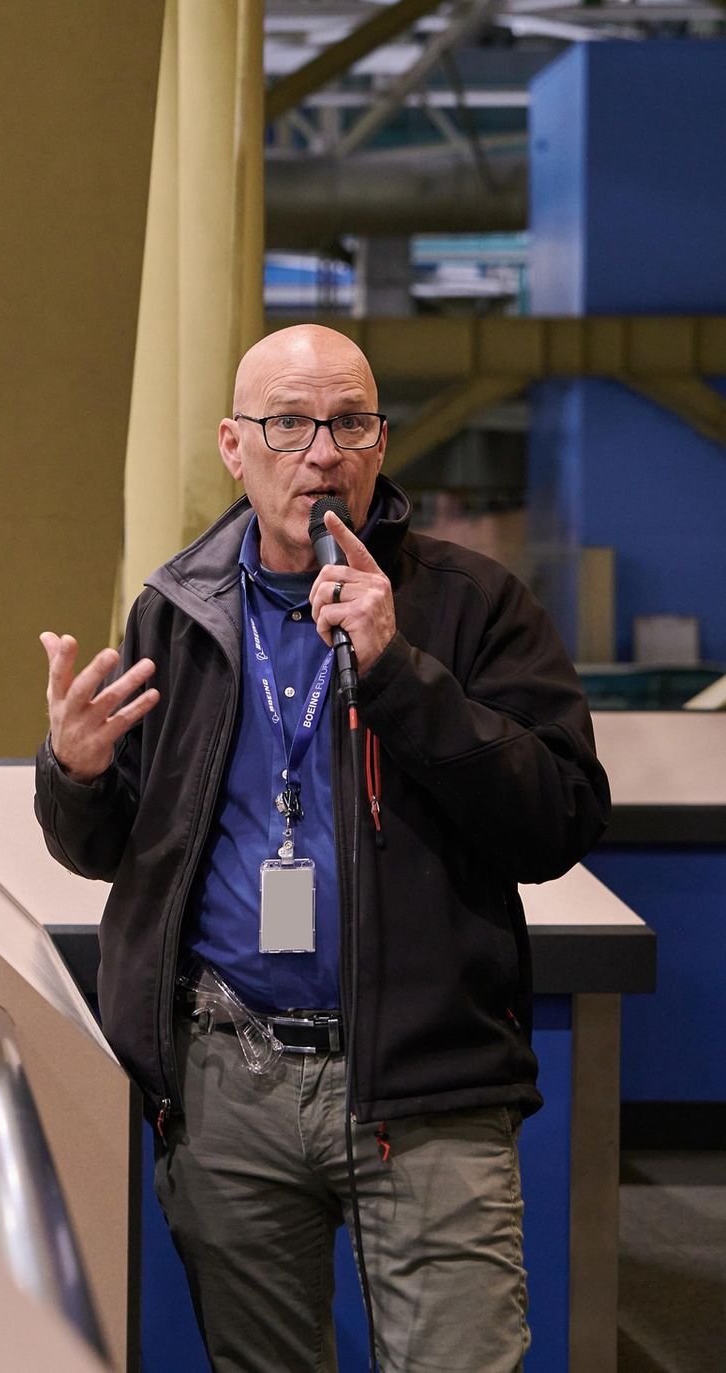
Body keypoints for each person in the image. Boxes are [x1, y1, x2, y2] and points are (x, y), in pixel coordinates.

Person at [34, 324, 609, 1372]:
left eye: (350, 421)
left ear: (381, 441)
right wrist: (72, 771)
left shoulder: (471, 607)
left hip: (424, 1082)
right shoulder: (178, 613)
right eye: (289, 422)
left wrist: (399, 674)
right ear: (232, 444)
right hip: (229, 1085)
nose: (322, 450)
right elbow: (116, 845)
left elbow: (560, 819)